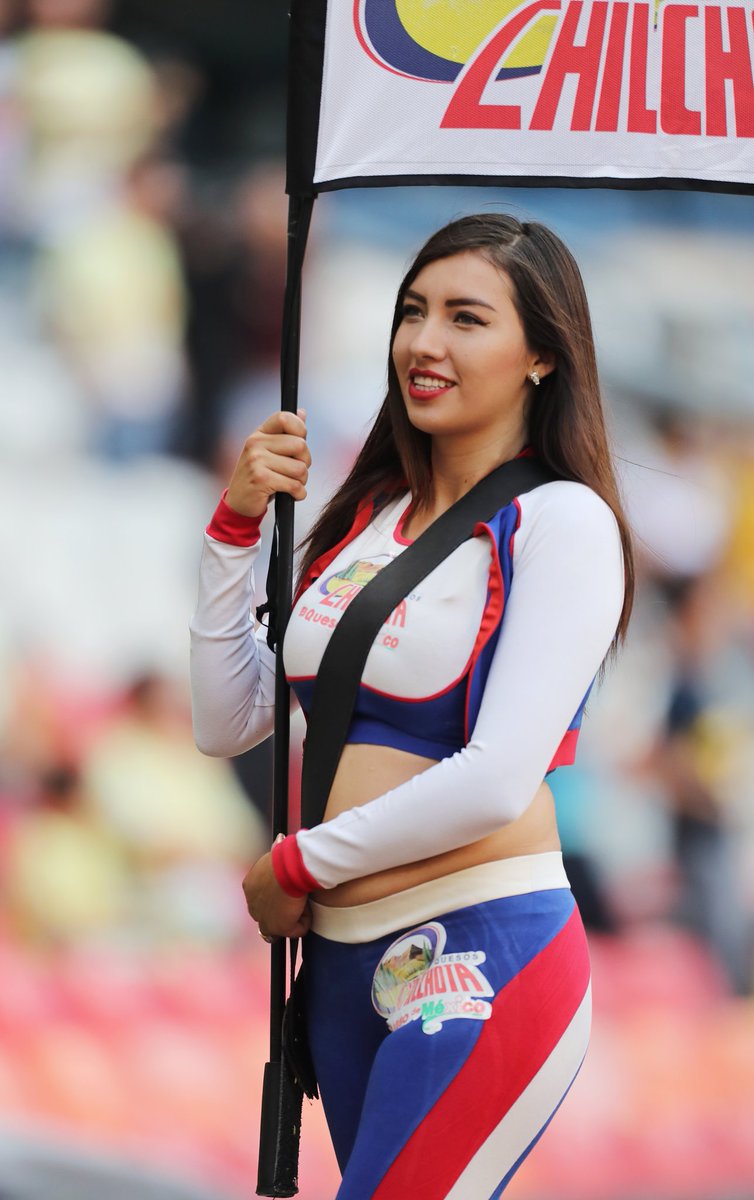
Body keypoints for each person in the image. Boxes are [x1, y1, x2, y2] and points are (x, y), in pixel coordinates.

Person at [190, 213, 634, 1198]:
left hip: (482, 946)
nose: (424, 343)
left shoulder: (563, 521)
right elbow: (230, 721)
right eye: (412, 311)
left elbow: (494, 778)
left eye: (466, 318)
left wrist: (298, 860)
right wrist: (232, 531)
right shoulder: (366, 516)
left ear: (541, 358)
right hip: (340, 968)